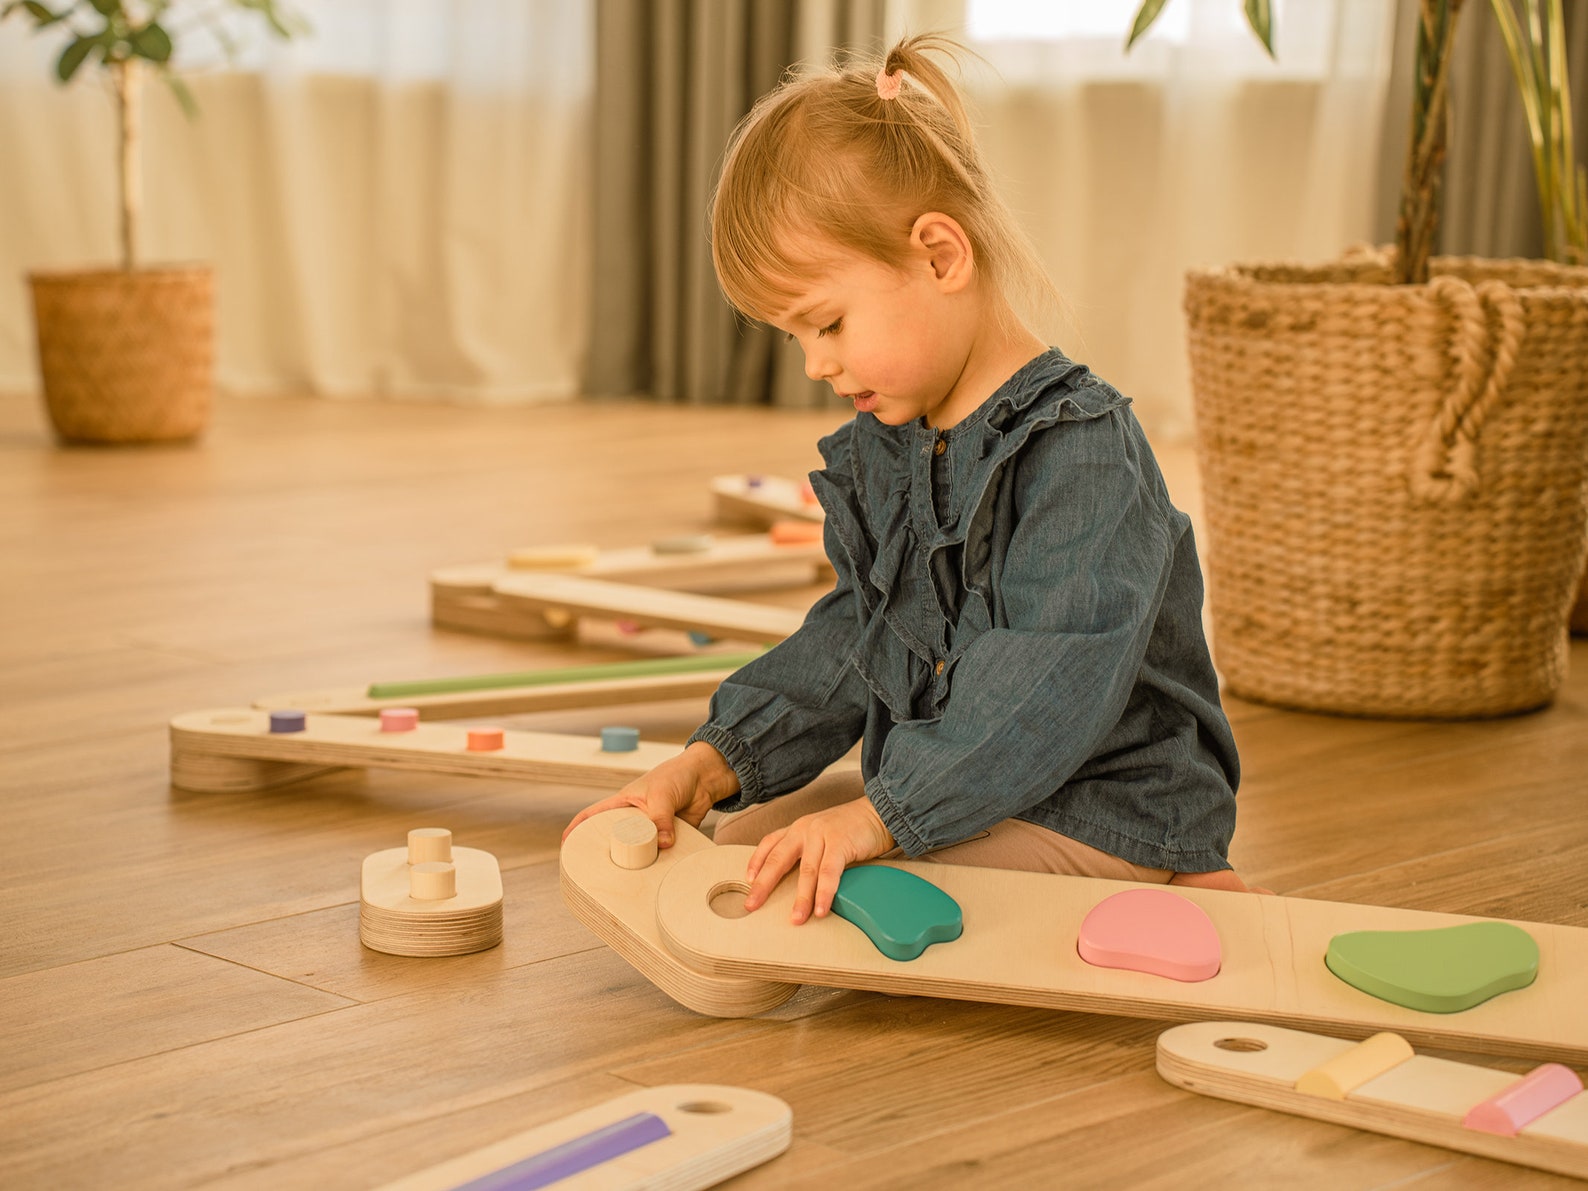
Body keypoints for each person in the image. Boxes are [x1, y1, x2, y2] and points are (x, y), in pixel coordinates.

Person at [565, 33, 1261, 925]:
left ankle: (1176, 880)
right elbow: (857, 636)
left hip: (1107, 811)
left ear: (940, 255)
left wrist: (878, 816)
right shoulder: (901, 440)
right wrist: (718, 758)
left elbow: (1043, 689)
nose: (815, 363)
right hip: (961, 788)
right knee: (736, 850)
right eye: (795, 338)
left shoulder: (1084, 452)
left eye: (828, 322)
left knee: (807, 897)